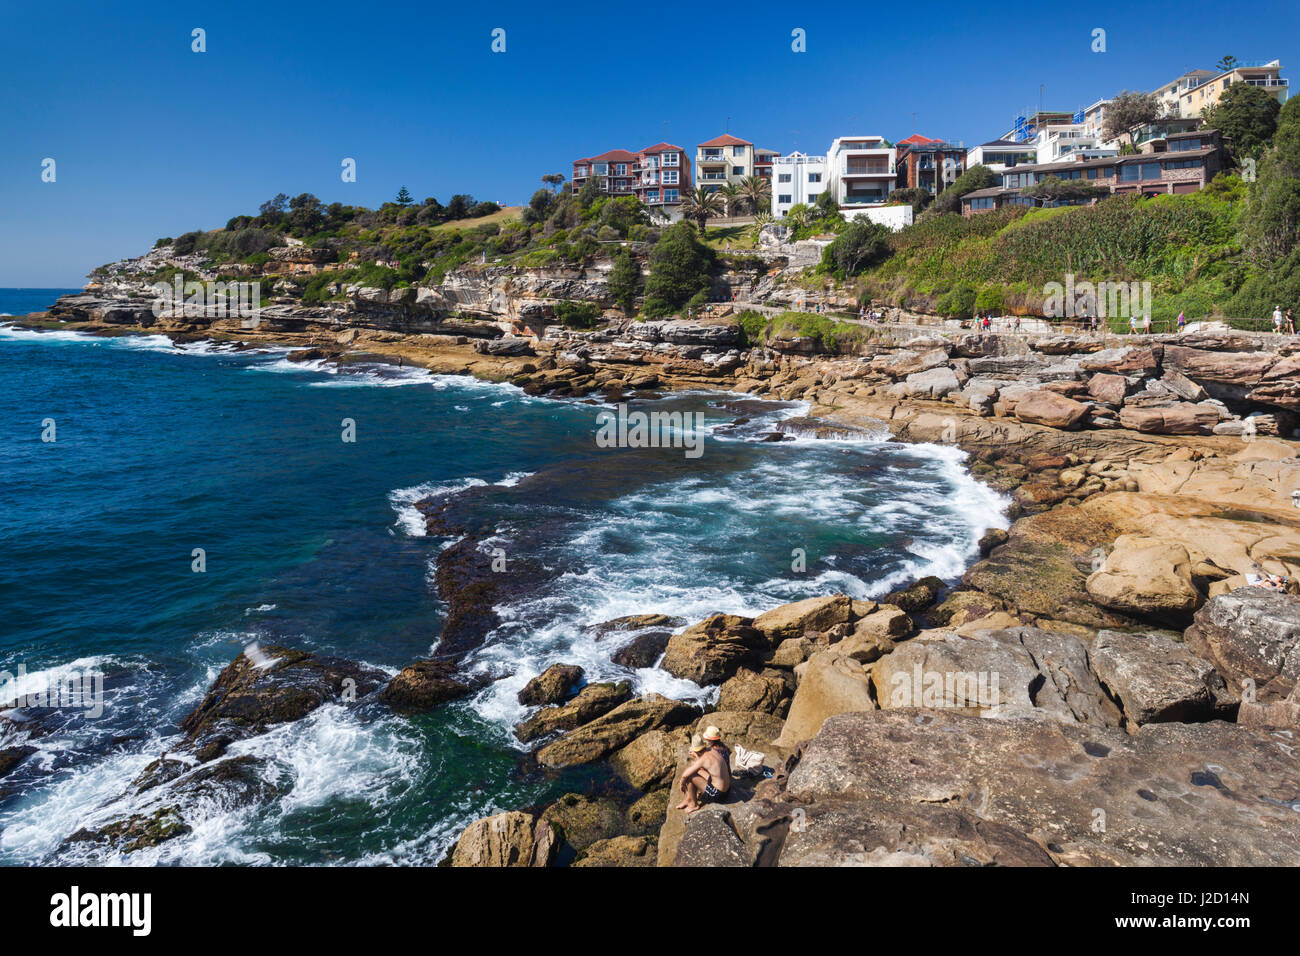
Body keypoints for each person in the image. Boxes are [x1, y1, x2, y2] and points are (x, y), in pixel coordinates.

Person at [676, 727, 731, 813]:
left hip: (719, 794)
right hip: (726, 788)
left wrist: (682, 783)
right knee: (693, 769)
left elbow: (685, 775)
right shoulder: (714, 750)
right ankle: (689, 798)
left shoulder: (704, 758)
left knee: (690, 776)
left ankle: (693, 805)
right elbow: (704, 763)